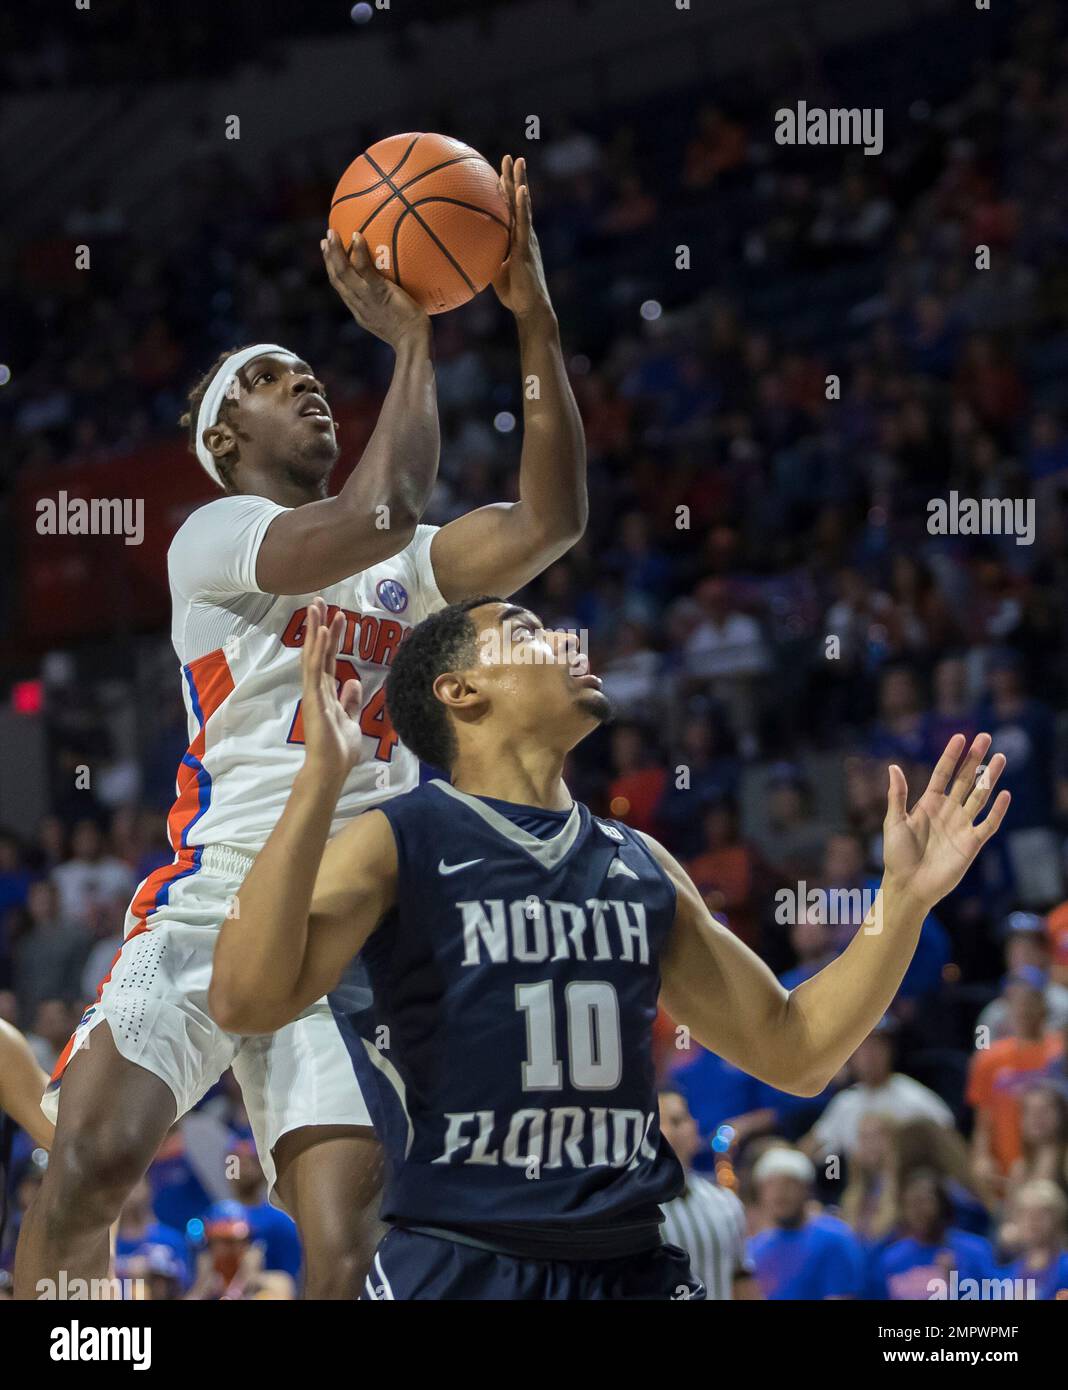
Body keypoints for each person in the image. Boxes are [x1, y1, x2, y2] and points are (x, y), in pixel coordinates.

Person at [17, 155, 588, 1301]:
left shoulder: (409, 569)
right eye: (278, 379)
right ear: (225, 437)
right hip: (217, 890)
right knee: (87, 1162)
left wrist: (536, 326)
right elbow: (382, 506)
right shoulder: (214, 539)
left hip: (349, 914)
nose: (311, 386)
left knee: (347, 1235)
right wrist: (417, 333)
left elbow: (550, 517)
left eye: (315, 373)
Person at [209, 596, 1009, 1299]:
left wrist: (901, 902)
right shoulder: (400, 840)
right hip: (463, 1264)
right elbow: (245, 999)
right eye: (524, 633)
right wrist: (318, 781)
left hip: (630, 1262)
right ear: (460, 691)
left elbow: (796, 1050)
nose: (565, 642)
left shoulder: (638, 859)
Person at [803, 1019, 954, 1163]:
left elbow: (949, 1144)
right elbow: (812, 1147)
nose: (869, 1056)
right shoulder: (846, 1103)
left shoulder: (913, 1098)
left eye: (876, 1046)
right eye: (862, 1048)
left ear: (889, 1050)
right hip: (860, 1186)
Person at [657, 1087, 758, 1300]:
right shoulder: (628, 1207)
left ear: (694, 1130)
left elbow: (742, 1281)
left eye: (676, 1120)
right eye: (656, 1123)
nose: (666, 1131)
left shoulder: (726, 1203)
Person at [747, 1146, 864, 1299]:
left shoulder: (834, 1238)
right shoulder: (755, 1250)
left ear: (807, 1189)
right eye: (771, 1184)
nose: (779, 1192)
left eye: (789, 1184)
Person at [872, 1169, 997, 1300]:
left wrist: (956, 1281)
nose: (917, 1211)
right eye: (911, 1204)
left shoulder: (975, 1251)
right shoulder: (891, 1259)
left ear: (942, 1205)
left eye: (924, 1202)